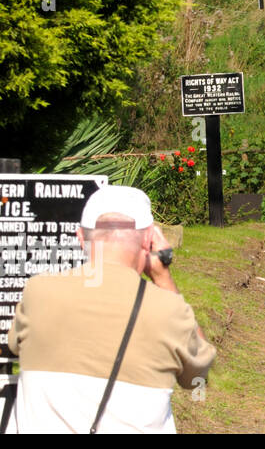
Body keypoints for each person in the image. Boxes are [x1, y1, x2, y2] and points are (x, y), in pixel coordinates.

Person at [4, 186, 216, 434]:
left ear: (81, 238)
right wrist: (163, 277)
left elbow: (15, 345)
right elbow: (198, 376)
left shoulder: (37, 293)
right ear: (149, 240)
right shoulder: (168, 309)